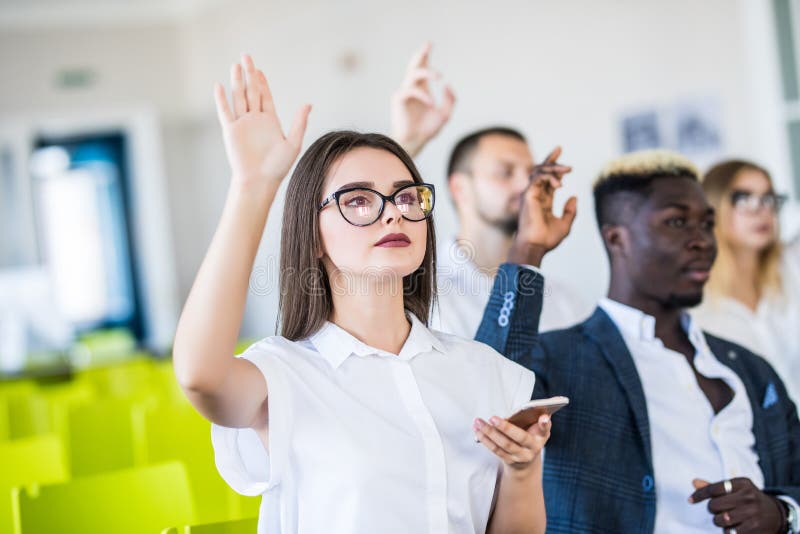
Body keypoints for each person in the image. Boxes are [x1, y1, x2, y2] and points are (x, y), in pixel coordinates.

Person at [171, 54, 565, 534]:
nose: (393, 214)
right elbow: (199, 376)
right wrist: (253, 187)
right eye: (357, 200)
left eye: (405, 197)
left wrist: (522, 471)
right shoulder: (284, 374)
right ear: (312, 236)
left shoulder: (486, 371)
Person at [475, 149, 800, 533]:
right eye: (677, 222)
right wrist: (528, 250)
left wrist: (782, 513)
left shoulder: (747, 367)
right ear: (617, 238)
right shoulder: (562, 357)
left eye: (707, 223)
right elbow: (486, 396)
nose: (702, 241)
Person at [390, 43, 591, 337]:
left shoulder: (565, 302)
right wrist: (405, 144)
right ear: (460, 188)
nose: (526, 185)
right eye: (504, 173)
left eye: (530, 173)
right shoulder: (418, 293)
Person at [692, 159, 800, 404]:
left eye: (768, 198)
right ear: (712, 205)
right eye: (743, 198)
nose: (762, 210)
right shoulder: (694, 304)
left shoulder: (792, 266)